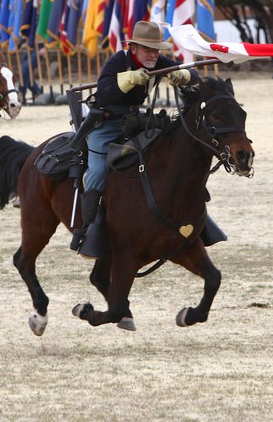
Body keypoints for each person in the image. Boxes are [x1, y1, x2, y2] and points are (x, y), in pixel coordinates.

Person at [73, 20, 197, 259]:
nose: (153, 54)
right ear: (134, 48)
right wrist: (128, 79)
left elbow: (191, 75)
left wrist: (184, 74)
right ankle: (88, 230)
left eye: (156, 49)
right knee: (98, 172)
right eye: (148, 49)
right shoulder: (118, 61)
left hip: (134, 121)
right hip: (105, 123)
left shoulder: (158, 62)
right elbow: (104, 91)